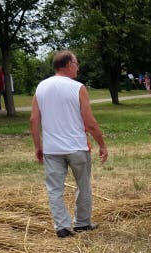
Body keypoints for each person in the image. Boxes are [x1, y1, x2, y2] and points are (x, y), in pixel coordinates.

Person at [30, 50, 108, 238]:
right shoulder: (78, 87)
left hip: (52, 149)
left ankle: (62, 227)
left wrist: (38, 146)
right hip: (76, 147)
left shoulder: (41, 87)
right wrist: (102, 145)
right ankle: (82, 223)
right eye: (76, 63)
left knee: (55, 188)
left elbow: (34, 119)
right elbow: (89, 121)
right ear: (67, 65)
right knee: (83, 185)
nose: (78, 67)